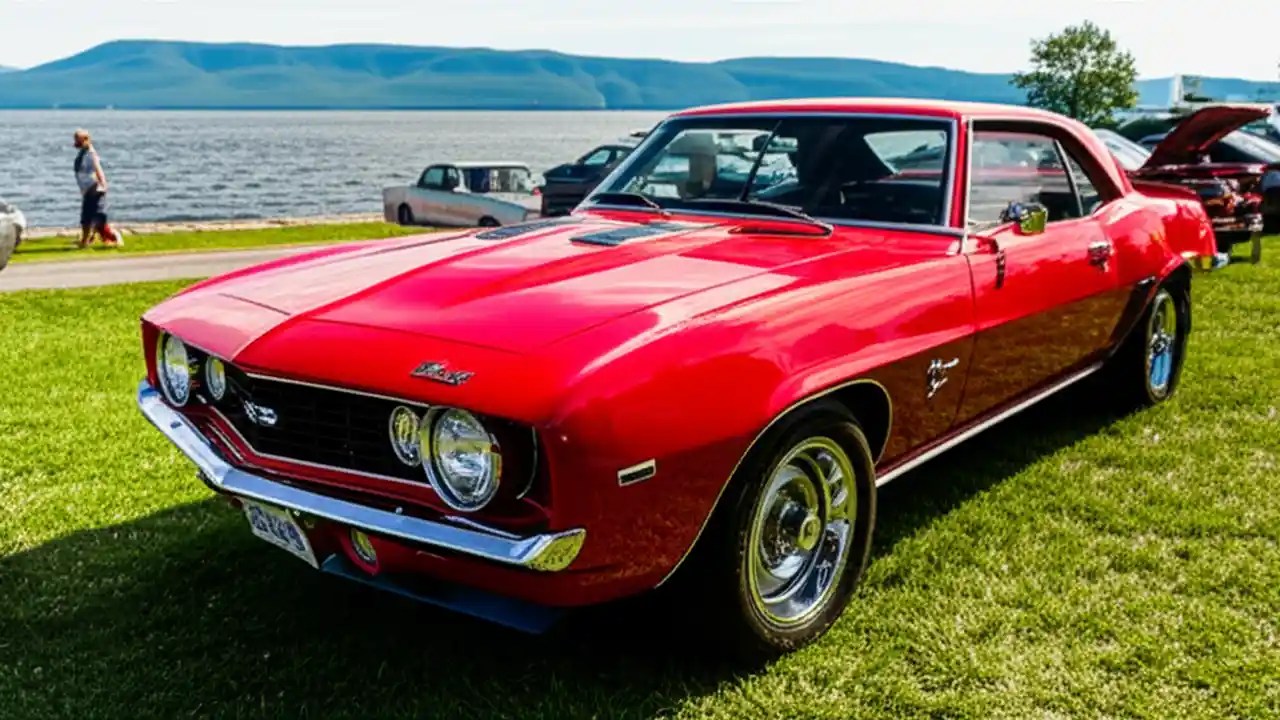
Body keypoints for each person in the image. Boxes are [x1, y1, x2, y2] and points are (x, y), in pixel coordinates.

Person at [72, 129, 122, 248]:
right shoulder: (82, 153)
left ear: (85, 140)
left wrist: (103, 184)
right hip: (87, 190)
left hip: (94, 189)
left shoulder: (91, 153)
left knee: (99, 218)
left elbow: (98, 168)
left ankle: (115, 237)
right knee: (86, 218)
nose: (75, 143)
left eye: (77, 140)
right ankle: (85, 241)